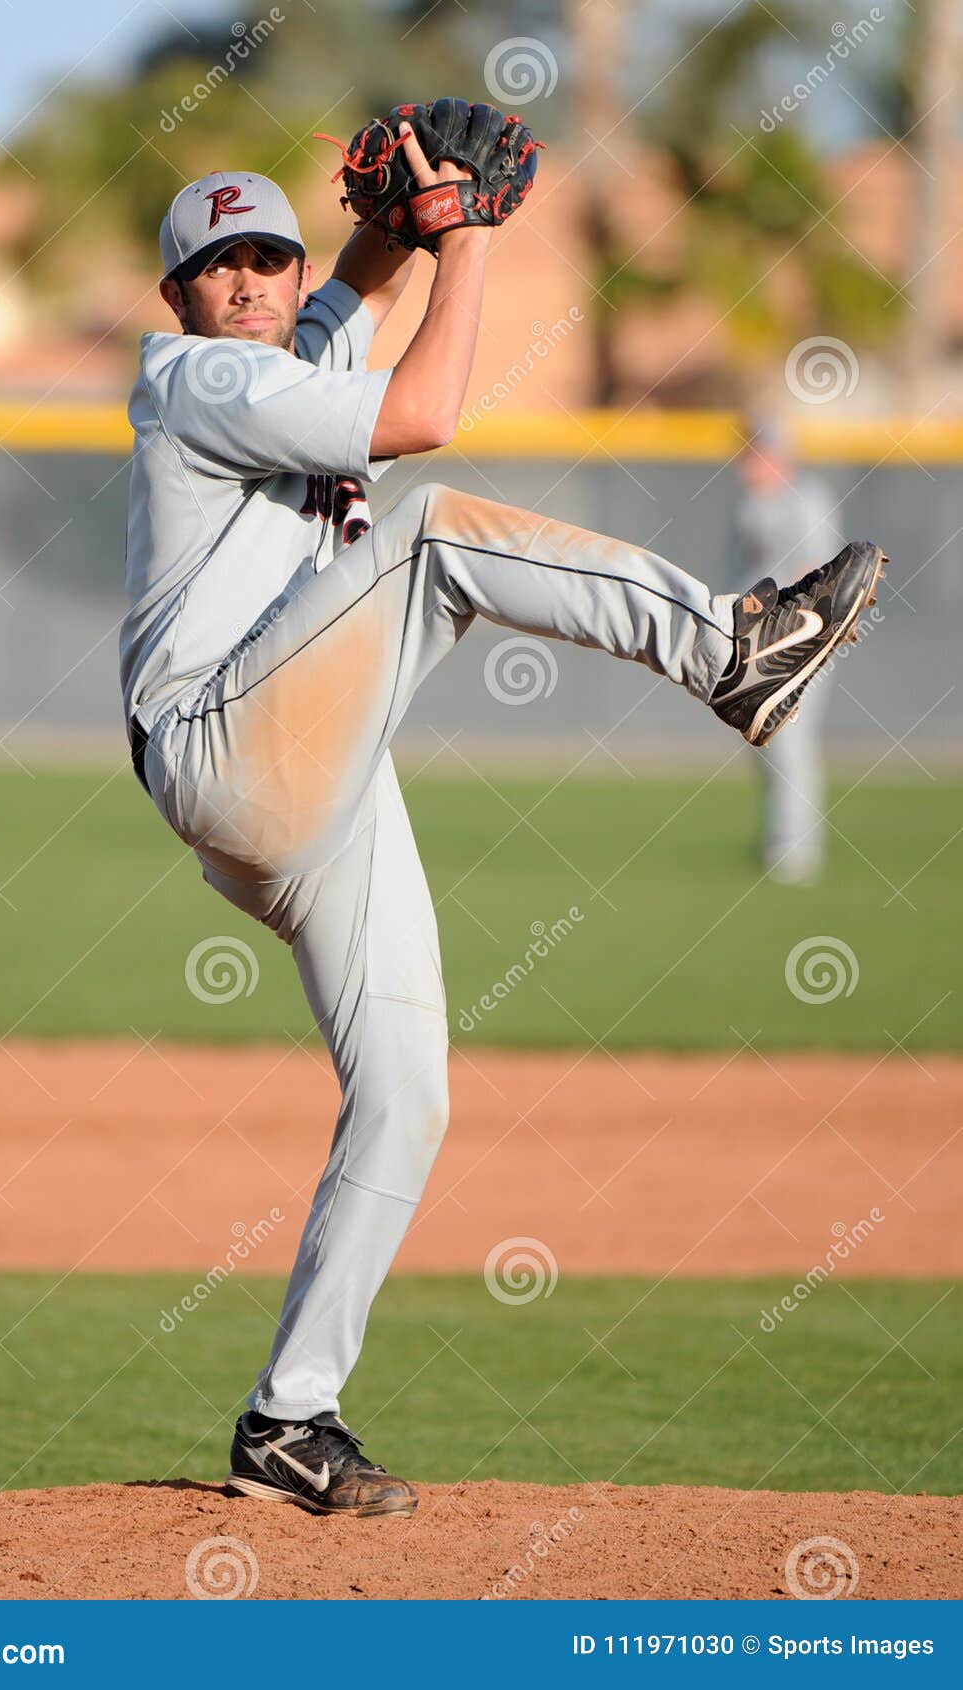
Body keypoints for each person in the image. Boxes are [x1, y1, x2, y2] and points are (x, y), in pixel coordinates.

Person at [120, 135, 885, 1518]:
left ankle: (289, 1420)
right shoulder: (197, 378)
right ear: (177, 294)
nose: (244, 282)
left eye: (264, 256)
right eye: (214, 264)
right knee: (426, 531)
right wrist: (462, 237)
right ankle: (731, 651)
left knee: (406, 1093)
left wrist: (384, 227)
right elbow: (420, 415)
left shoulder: (288, 356)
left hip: (299, 779)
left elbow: (339, 312)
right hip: (222, 744)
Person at [733, 419, 843, 884]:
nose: (746, 462)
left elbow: (816, 568)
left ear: (777, 455)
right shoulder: (755, 505)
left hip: (804, 634)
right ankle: (780, 836)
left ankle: (798, 847)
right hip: (763, 637)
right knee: (762, 738)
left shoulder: (808, 498)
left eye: (756, 452)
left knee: (791, 740)